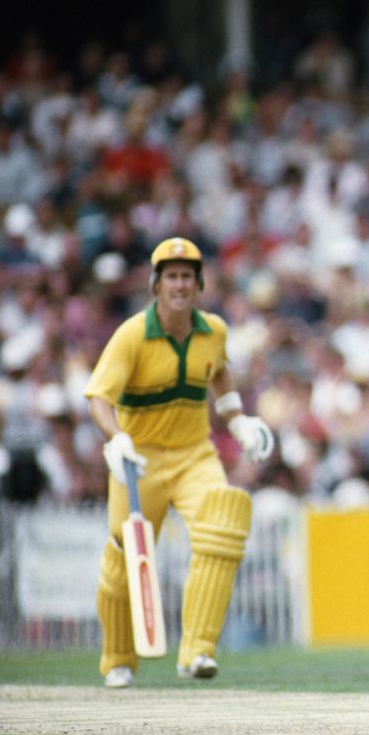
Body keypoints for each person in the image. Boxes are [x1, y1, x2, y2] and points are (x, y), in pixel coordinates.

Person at [85, 236, 275, 689]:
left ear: (199, 283)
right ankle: (118, 657)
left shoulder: (213, 330)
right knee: (124, 556)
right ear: (156, 284)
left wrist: (238, 419)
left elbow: (221, 374)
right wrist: (117, 440)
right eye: (171, 276)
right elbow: (98, 398)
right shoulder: (132, 334)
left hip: (195, 455)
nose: (179, 284)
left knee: (223, 522)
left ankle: (197, 652)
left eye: (187, 276)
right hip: (140, 461)